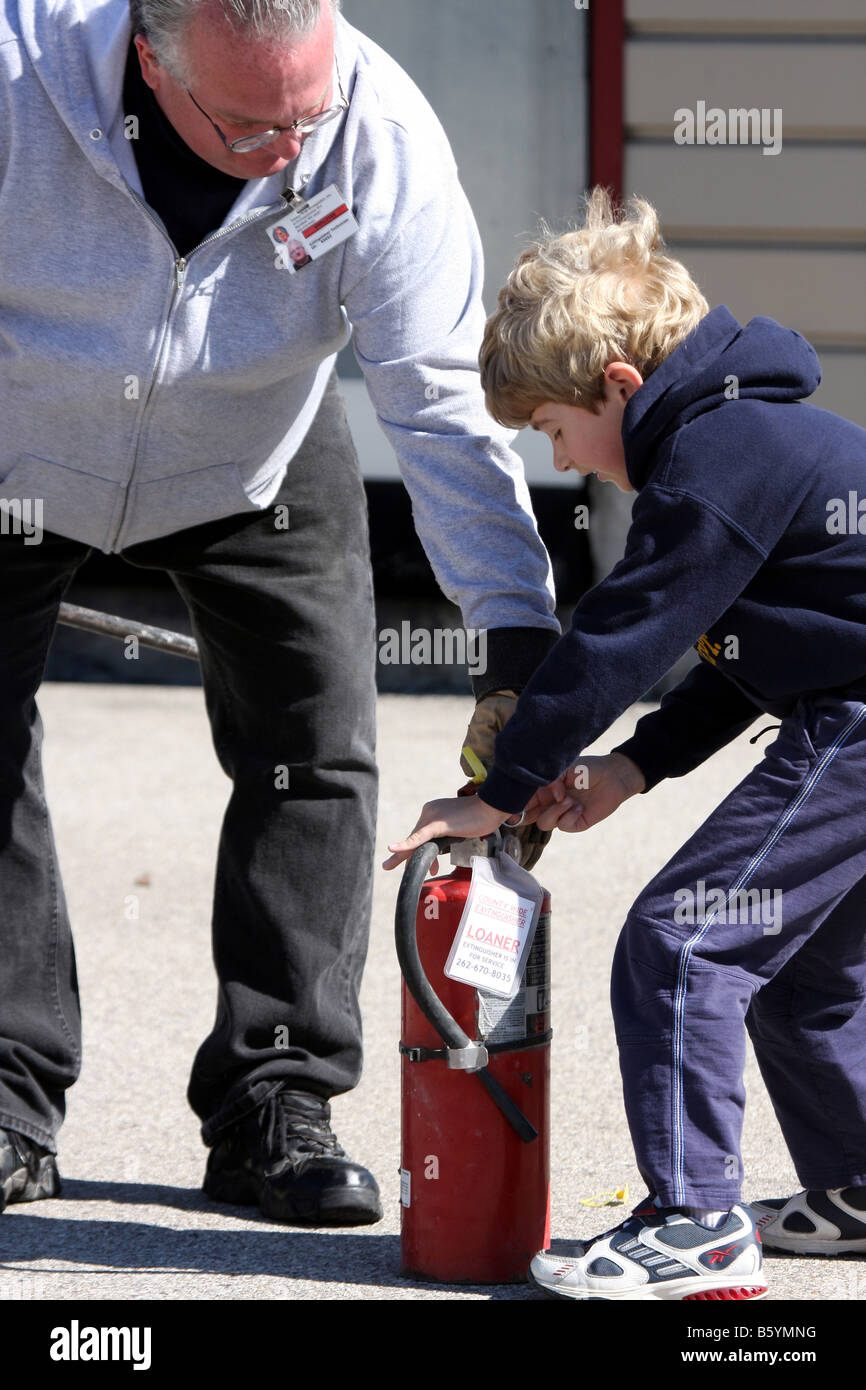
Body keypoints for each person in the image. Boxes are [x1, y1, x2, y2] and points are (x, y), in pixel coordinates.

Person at [0, 0, 560, 1227]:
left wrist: (516, 638)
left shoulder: (374, 130)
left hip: (255, 448)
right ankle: (5, 1094)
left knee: (314, 746)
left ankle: (276, 1099)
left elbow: (439, 404)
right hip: (20, 445)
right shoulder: (14, 75)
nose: (290, 151)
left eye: (306, 116)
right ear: (149, 60)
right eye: (250, 124)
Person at [385, 188, 866, 1298]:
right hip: (842, 707)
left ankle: (695, 1225)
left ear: (618, 387)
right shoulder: (750, 436)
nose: (559, 461)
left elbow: (614, 636)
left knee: (685, 940)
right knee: (798, 978)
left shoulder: (717, 454)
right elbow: (749, 654)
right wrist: (632, 766)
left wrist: (496, 790)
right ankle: (850, 1186)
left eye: (554, 431)